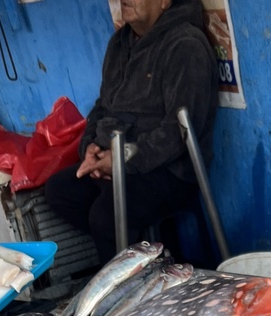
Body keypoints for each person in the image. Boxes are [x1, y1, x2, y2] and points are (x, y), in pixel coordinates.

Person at [44, 0, 218, 265]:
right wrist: (90, 148)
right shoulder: (119, 43)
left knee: (106, 217)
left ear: (164, 2)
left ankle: (129, 293)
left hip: (170, 171)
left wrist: (122, 158)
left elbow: (178, 132)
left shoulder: (185, 45)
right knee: (59, 191)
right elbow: (102, 106)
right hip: (116, 159)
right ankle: (150, 261)